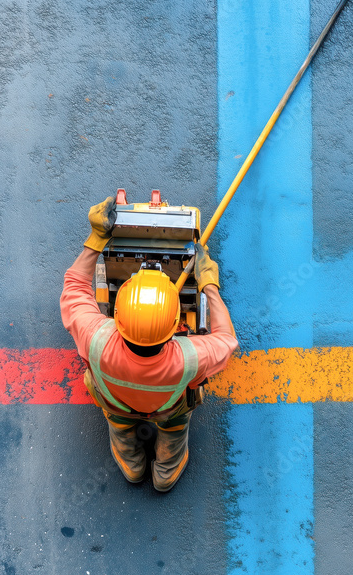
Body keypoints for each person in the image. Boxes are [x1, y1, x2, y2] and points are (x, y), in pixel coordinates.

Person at [60, 196, 239, 492]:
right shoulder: (190, 358)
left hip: (114, 402)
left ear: (118, 316)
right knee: (176, 425)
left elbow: (75, 285)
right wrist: (209, 286)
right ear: (175, 328)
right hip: (167, 409)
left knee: (119, 422)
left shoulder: (96, 338)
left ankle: (130, 461)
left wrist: (96, 237)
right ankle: (166, 470)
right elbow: (226, 340)